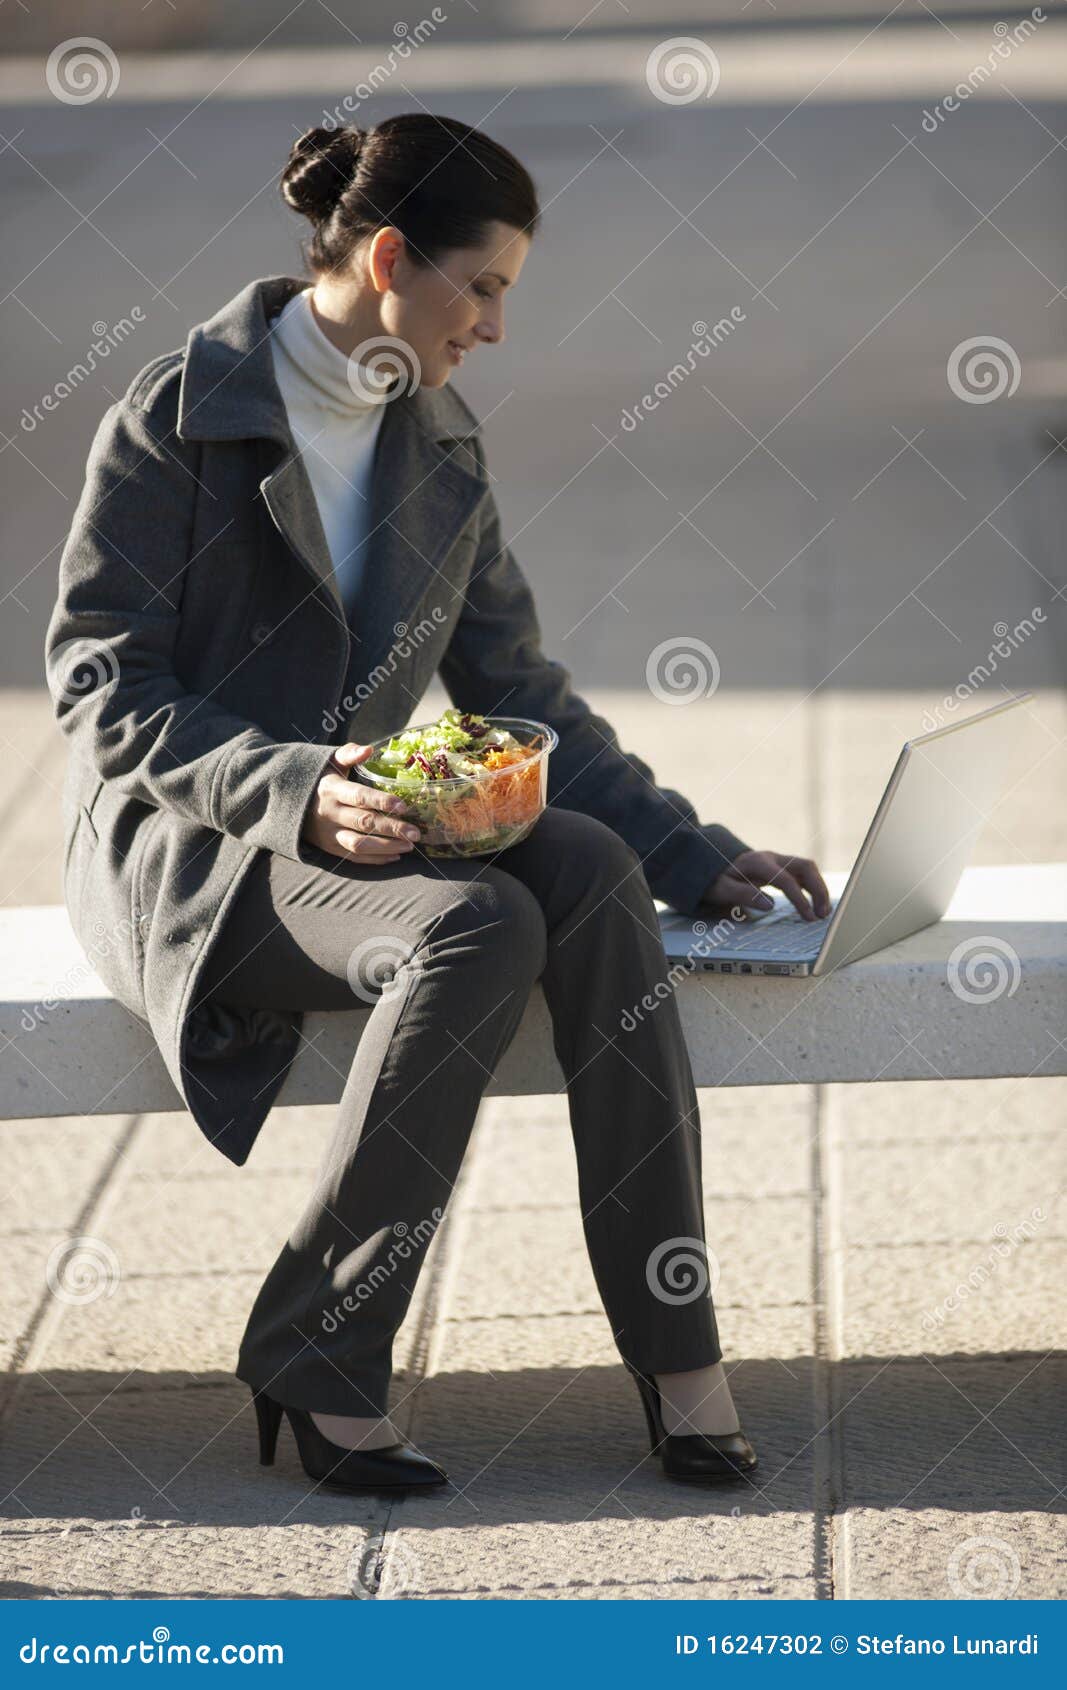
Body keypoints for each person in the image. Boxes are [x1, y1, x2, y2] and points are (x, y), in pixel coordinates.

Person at [46, 113, 830, 1496]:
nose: (495, 328)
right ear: (393, 258)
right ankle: (323, 1341)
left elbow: (517, 689)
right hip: (205, 848)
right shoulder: (180, 417)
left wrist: (696, 854)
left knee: (586, 872)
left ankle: (676, 1342)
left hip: (363, 835)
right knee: (476, 927)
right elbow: (100, 683)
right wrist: (293, 788)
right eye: (486, 287)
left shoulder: (441, 447)